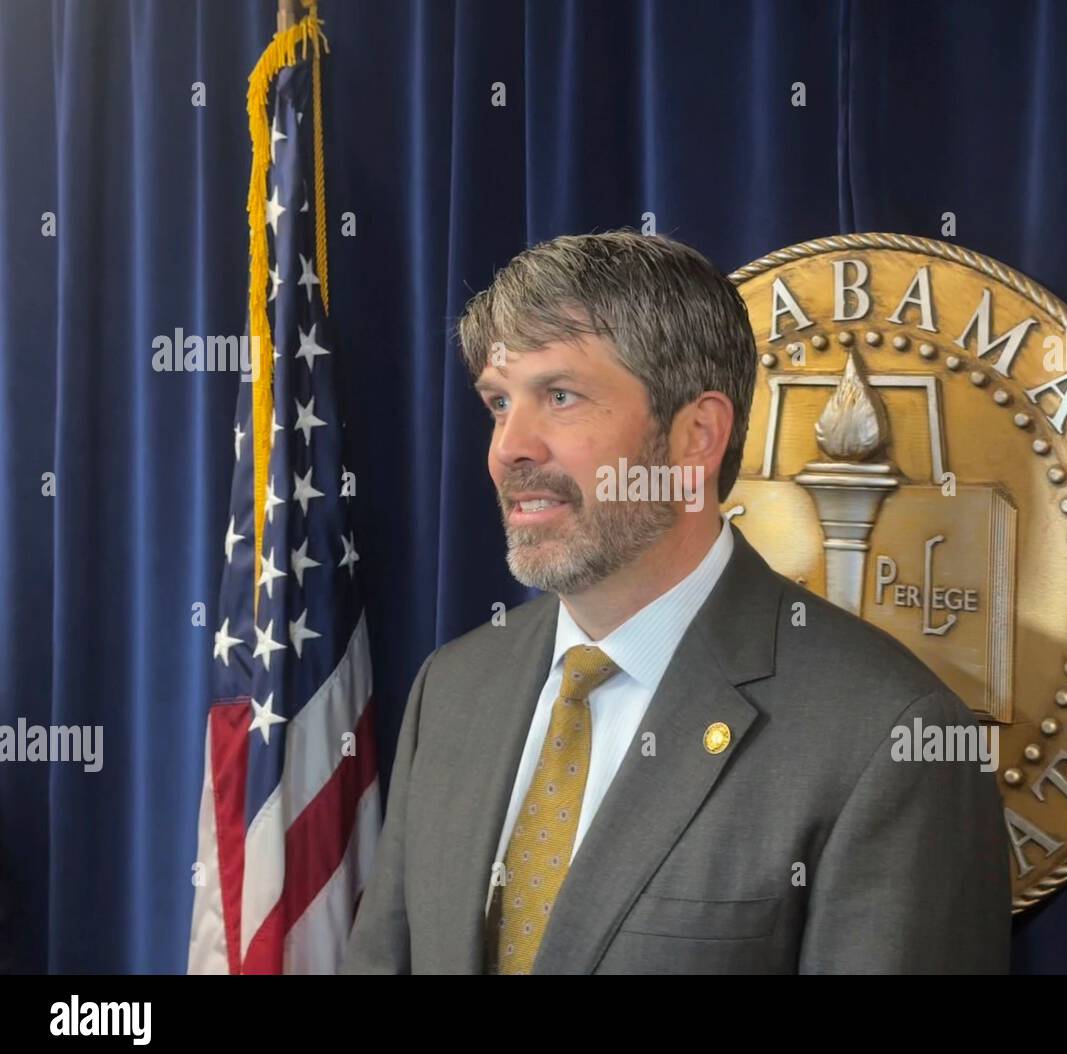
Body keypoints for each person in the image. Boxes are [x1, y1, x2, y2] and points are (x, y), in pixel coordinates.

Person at [343, 231, 1009, 974]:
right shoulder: (454, 689)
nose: (509, 447)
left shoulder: (887, 738)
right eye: (499, 403)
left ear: (696, 435)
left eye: (560, 396)